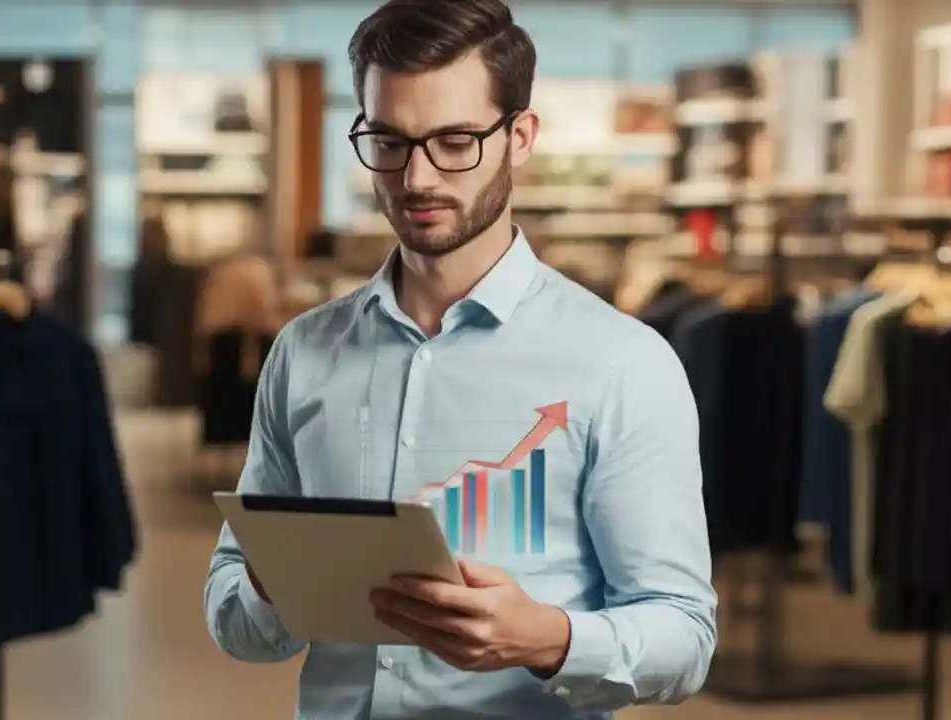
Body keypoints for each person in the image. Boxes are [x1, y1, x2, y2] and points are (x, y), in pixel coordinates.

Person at [204, 1, 717, 717]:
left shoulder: (622, 363)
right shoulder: (305, 353)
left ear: (521, 136)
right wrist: (274, 581)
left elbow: (685, 634)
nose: (416, 178)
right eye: (388, 140)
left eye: (454, 141)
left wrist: (549, 639)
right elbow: (236, 620)